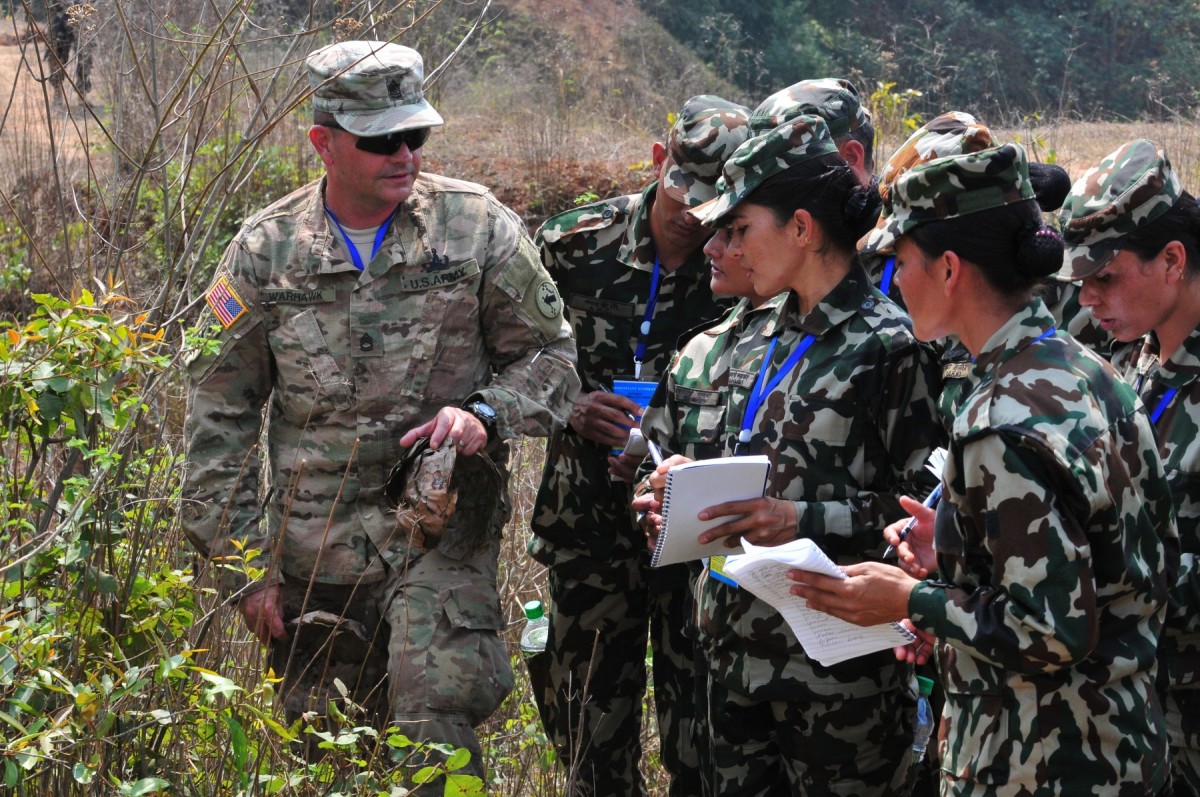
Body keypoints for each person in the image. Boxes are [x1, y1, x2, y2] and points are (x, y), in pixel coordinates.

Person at [179, 40, 579, 781]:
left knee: (434, 729)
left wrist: (487, 412)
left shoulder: (477, 228)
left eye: (415, 134)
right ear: (323, 143)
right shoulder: (263, 253)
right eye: (379, 140)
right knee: (329, 756)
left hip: (440, 536)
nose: (404, 154)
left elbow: (554, 358)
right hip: (314, 554)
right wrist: (244, 569)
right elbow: (218, 409)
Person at [789, 143, 1178, 797]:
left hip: (1043, 766)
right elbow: (1109, 562)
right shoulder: (1088, 369)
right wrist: (957, 555)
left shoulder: (1001, 418)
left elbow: (1053, 630)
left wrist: (909, 598)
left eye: (900, 261)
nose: (892, 278)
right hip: (1123, 749)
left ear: (948, 269)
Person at [644, 115, 944, 795]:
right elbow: (705, 456)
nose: (730, 247)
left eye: (743, 228)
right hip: (732, 663)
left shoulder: (891, 346)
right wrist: (670, 491)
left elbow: (924, 518)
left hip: (840, 684)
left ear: (802, 230)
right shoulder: (748, 337)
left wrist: (801, 517)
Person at [529, 95, 751, 796]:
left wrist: (672, 437)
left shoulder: (742, 267)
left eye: (718, 202)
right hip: (587, 526)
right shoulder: (572, 243)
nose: (696, 213)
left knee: (700, 734)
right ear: (660, 161)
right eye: (685, 186)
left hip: (688, 532)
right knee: (588, 726)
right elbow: (514, 350)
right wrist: (567, 404)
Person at [1059, 138, 1200, 796]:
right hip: (1142, 716)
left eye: (1105, 277)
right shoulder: (1137, 365)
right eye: (1080, 281)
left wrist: (1100, 565)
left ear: (1172, 260)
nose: (1087, 299)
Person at [43, 0, 92, 95]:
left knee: (84, 54)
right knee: (56, 53)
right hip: (58, 12)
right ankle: (57, 93)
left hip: (81, 12)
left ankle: (82, 95)